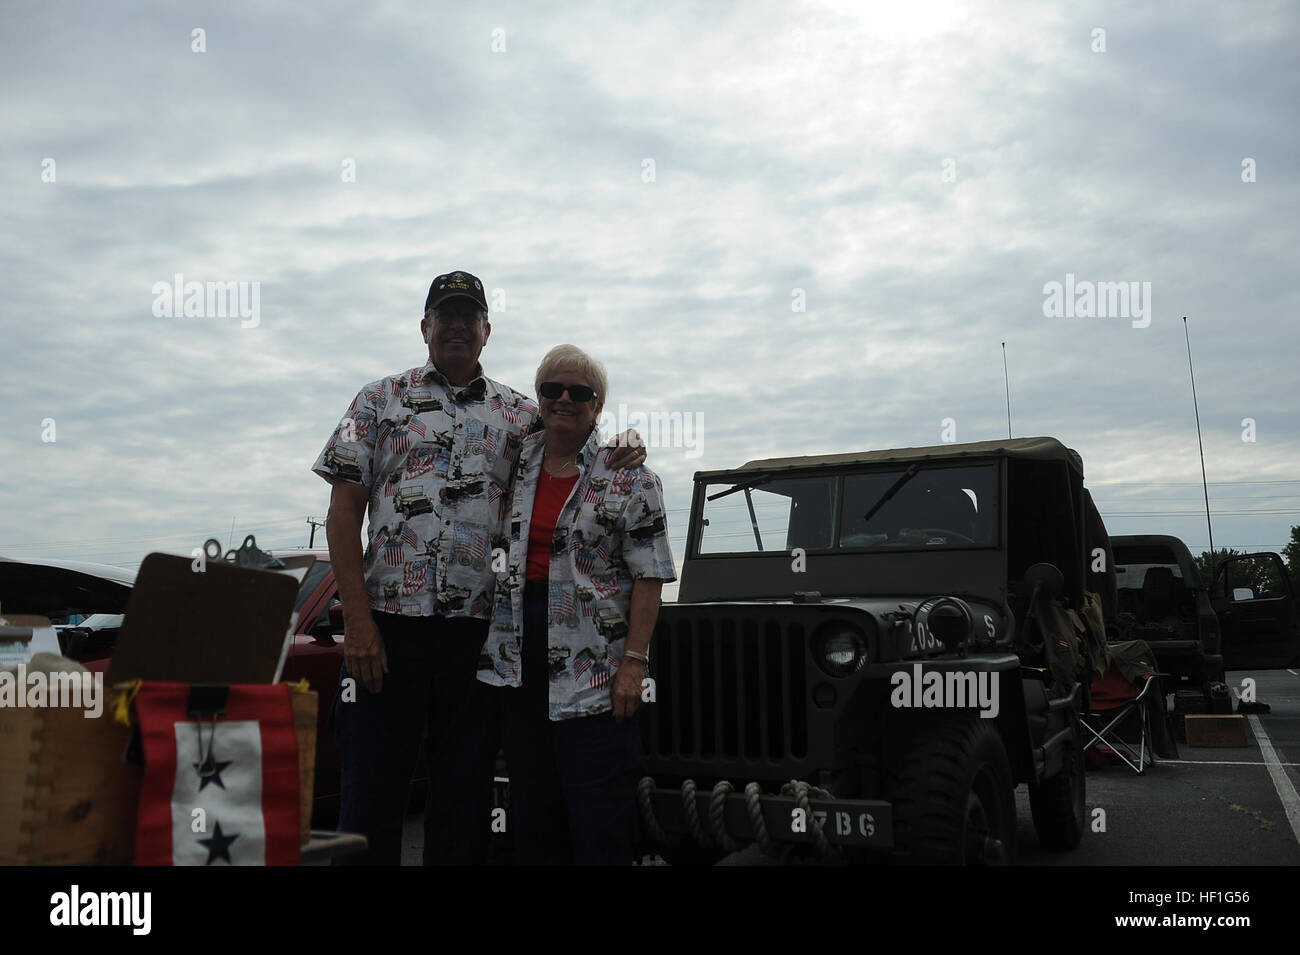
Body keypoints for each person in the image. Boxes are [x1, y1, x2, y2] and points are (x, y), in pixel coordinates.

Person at [311, 273, 645, 865]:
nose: (457, 326)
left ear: (487, 331)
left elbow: (577, 446)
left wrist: (628, 445)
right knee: (370, 791)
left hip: (479, 639)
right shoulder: (377, 401)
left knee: (463, 798)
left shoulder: (520, 415)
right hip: (385, 631)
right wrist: (357, 626)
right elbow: (342, 518)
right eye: (445, 315)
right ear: (425, 328)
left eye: (469, 316)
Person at [479, 344, 677, 865]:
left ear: (597, 405)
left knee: (599, 823)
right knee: (533, 821)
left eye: (580, 392)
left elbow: (650, 577)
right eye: (552, 389)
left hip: (595, 673)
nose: (564, 399)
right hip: (518, 669)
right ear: (538, 397)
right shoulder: (514, 463)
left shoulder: (632, 478)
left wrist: (634, 663)